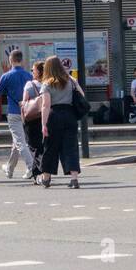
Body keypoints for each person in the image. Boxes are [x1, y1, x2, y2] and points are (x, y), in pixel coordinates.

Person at [38, 56, 84, 188]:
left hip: (54, 115)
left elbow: (46, 105)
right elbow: (82, 96)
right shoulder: (70, 81)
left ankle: (46, 178)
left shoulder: (47, 83)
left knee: (50, 147)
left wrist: (43, 124)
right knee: (71, 147)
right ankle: (74, 179)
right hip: (70, 115)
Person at [0, 49, 35, 180]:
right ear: (21, 60)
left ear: (11, 60)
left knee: (20, 142)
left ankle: (32, 166)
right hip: (28, 112)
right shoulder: (29, 75)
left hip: (13, 112)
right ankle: (9, 168)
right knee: (16, 142)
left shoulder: (6, 76)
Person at [20, 59, 45, 182]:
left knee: (33, 147)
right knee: (41, 146)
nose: (32, 72)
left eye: (33, 70)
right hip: (44, 117)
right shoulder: (48, 84)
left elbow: (25, 101)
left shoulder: (30, 84)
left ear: (38, 72)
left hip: (31, 118)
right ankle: (41, 172)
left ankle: (37, 174)